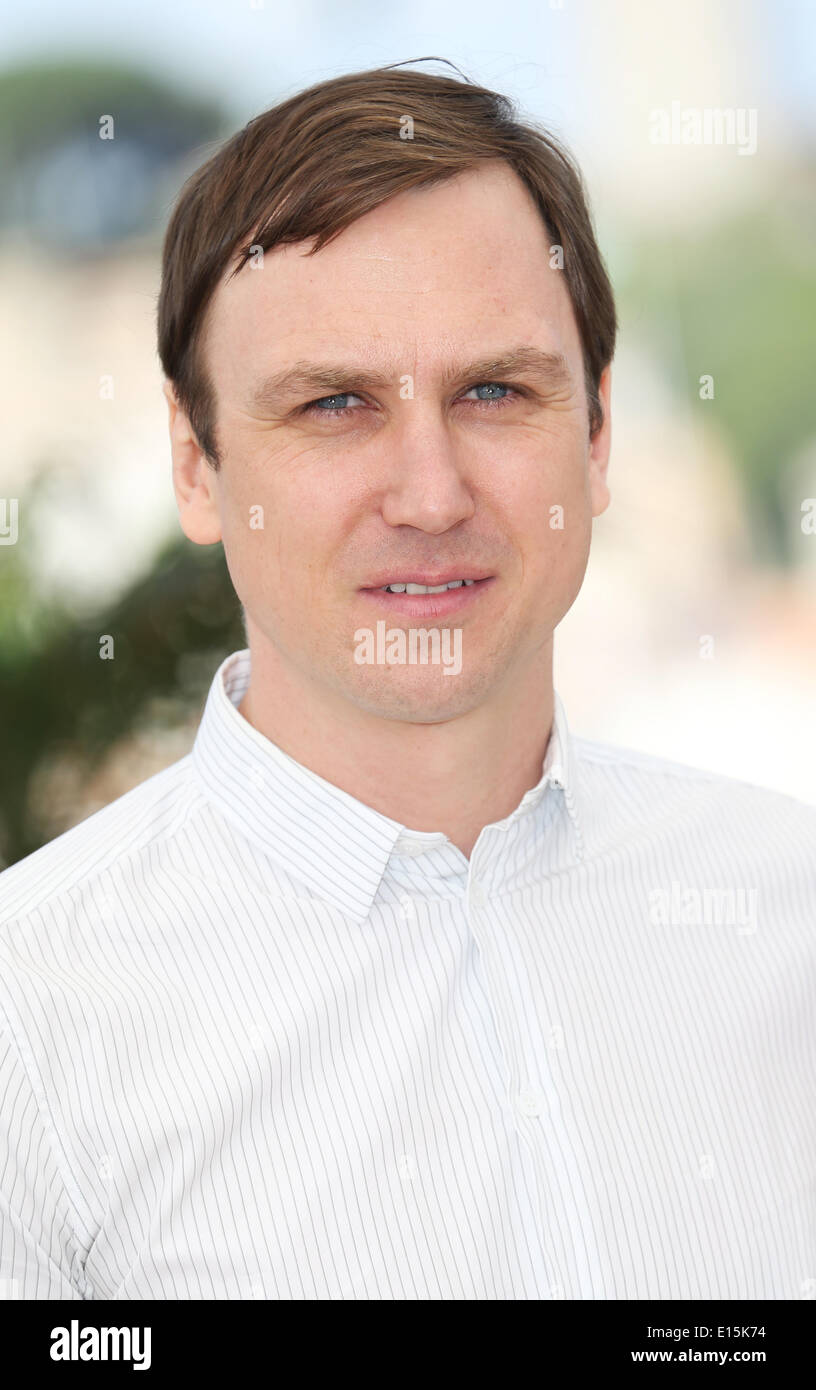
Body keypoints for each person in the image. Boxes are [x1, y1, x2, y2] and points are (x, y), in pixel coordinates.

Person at [1, 62, 813, 1302]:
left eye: (494, 390)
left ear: (595, 433)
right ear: (197, 465)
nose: (431, 495)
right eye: (334, 405)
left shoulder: (789, 914)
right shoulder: (32, 1022)